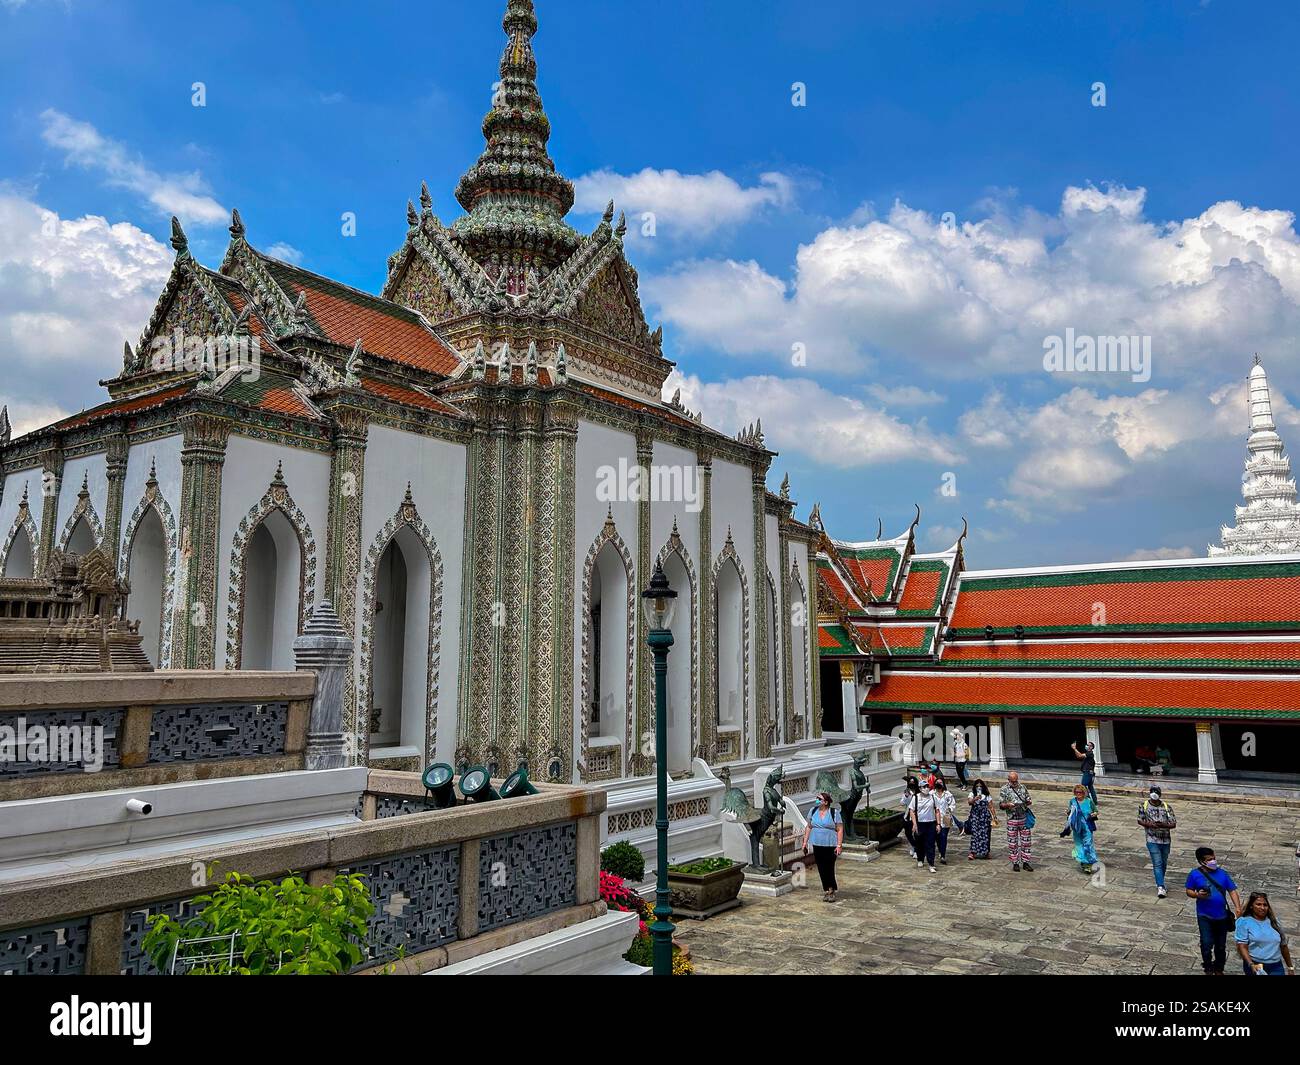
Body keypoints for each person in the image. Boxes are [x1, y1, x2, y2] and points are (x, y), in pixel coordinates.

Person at [1185, 847, 1242, 975]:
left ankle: (1219, 967)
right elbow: (1188, 890)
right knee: (1206, 943)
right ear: (1201, 861)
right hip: (1204, 915)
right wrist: (1197, 895)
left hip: (1221, 916)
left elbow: (1232, 890)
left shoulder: (1222, 873)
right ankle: (1208, 966)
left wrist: (1237, 907)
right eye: (1209, 859)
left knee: (1221, 945)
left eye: (1214, 858)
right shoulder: (1194, 874)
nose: (1213, 861)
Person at [1235, 892, 1294, 976]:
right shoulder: (1244, 922)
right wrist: (1251, 964)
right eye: (1258, 904)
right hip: (1255, 965)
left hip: (1276, 965)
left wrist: (1290, 967)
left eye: (1265, 905)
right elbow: (1242, 946)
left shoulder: (1275, 922)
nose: (1262, 908)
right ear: (1251, 906)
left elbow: (1283, 946)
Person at [801, 791, 844, 903]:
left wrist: (839, 845)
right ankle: (826, 888)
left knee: (829, 866)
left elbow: (839, 829)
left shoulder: (834, 812)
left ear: (825, 802)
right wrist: (805, 842)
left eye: (819, 799)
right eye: (817, 798)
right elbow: (809, 827)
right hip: (817, 843)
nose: (817, 800)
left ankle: (831, 889)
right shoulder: (813, 811)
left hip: (830, 844)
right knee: (821, 867)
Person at [1137, 786, 1176, 898]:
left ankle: (1160, 881)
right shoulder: (1143, 806)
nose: (1154, 794)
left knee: (1163, 863)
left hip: (1165, 839)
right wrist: (1149, 824)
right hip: (1151, 838)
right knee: (1157, 862)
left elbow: (1173, 824)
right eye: (1152, 792)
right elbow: (1140, 820)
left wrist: (1163, 825)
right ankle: (1161, 886)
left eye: (1156, 792)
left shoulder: (1166, 807)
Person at [1058, 783, 1098, 874]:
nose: (1078, 794)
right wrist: (1068, 812)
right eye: (1076, 792)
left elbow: (1096, 811)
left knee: (1088, 844)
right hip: (1076, 827)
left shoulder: (1089, 801)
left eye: (1080, 792)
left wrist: (1093, 814)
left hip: (1087, 826)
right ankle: (1084, 863)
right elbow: (1070, 812)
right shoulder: (1072, 801)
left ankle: (1088, 863)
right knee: (1079, 844)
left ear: (1084, 793)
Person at [998, 771, 1034, 871]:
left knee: (1026, 842)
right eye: (1012, 781)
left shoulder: (1022, 787)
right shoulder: (1004, 789)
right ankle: (1015, 863)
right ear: (1008, 780)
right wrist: (1008, 805)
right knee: (1012, 842)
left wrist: (1028, 802)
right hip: (1012, 818)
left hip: (1023, 817)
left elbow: (1028, 799)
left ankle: (1026, 862)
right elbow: (1001, 805)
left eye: (1016, 781)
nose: (1015, 783)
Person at [909, 779, 940, 874]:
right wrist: (914, 824)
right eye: (924, 787)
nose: (926, 788)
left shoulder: (933, 797)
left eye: (927, 786)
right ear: (920, 788)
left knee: (930, 843)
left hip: (931, 822)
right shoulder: (916, 798)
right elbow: (912, 811)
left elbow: (937, 811)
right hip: (920, 823)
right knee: (920, 842)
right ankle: (920, 858)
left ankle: (931, 863)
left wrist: (938, 824)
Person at [966, 779, 993, 860]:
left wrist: (994, 816)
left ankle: (986, 852)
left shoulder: (987, 795)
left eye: (980, 786)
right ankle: (973, 852)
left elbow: (991, 806)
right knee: (975, 834)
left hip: (985, 817)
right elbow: (969, 802)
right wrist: (975, 798)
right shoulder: (972, 794)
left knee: (985, 834)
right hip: (975, 816)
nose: (979, 788)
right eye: (977, 786)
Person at [933, 779, 959, 864]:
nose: (939, 784)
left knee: (943, 836)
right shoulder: (931, 794)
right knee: (937, 837)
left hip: (945, 818)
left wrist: (949, 809)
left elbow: (952, 804)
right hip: (934, 818)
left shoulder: (948, 794)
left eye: (941, 783)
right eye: (937, 783)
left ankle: (943, 855)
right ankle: (940, 850)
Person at [1070, 739, 1099, 807]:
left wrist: (1074, 748)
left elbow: (1079, 755)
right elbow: (1078, 756)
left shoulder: (1090, 753)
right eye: (1087, 745)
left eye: (1088, 745)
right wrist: (1075, 750)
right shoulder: (1088, 754)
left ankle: (1088, 800)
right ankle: (1094, 801)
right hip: (1089, 772)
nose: (1087, 746)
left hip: (1088, 772)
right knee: (1090, 787)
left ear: (1091, 747)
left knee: (1083, 786)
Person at [901, 776, 920, 859]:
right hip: (908, 815)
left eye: (913, 782)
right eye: (910, 782)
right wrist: (905, 796)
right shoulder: (906, 792)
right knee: (907, 833)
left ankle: (917, 850)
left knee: (916, 833)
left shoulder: (919, 793)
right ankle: (914, 845)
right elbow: (902, 803)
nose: (912, 784)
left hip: (917, 815)